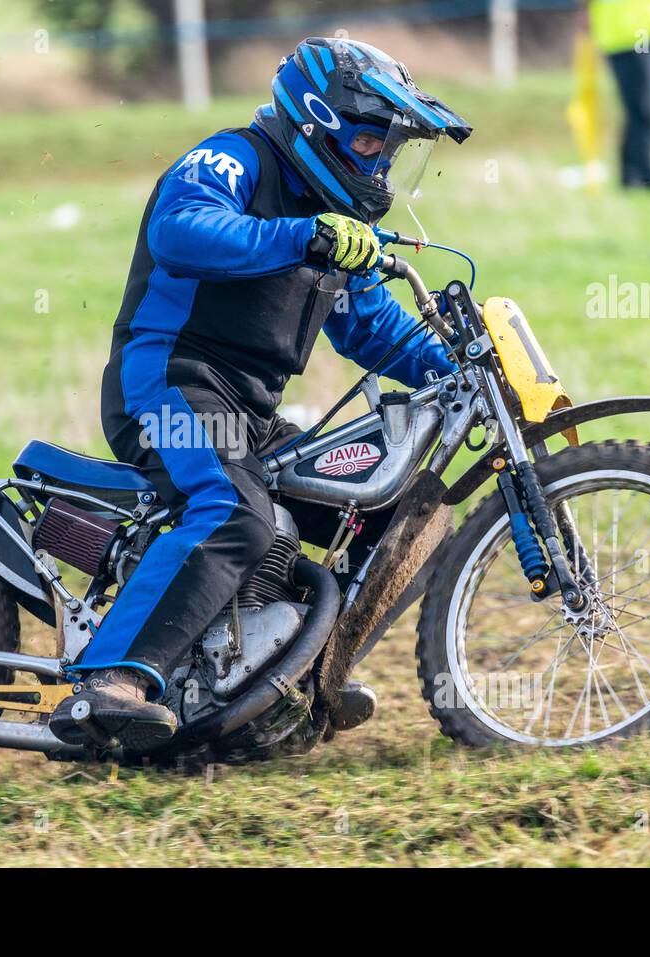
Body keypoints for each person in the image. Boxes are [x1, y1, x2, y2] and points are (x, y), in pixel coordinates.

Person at [49, 37, 471, 750]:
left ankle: (296, 683)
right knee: (234, 510)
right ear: (319, 122)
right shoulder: (234, 158)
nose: (379, 163)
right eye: (370, 141)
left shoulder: (339, 223)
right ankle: (110, 681)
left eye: (389, 151)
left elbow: (367, 325)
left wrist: (454, 362)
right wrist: (305, 235)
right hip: (168, 382)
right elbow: (182, 231)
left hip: (247, 409)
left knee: (391, 512)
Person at [585, 0, 650, 189]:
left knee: (640, 109)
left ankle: (634, 175)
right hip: (637, 34)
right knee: (643, 108)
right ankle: (644, 176)